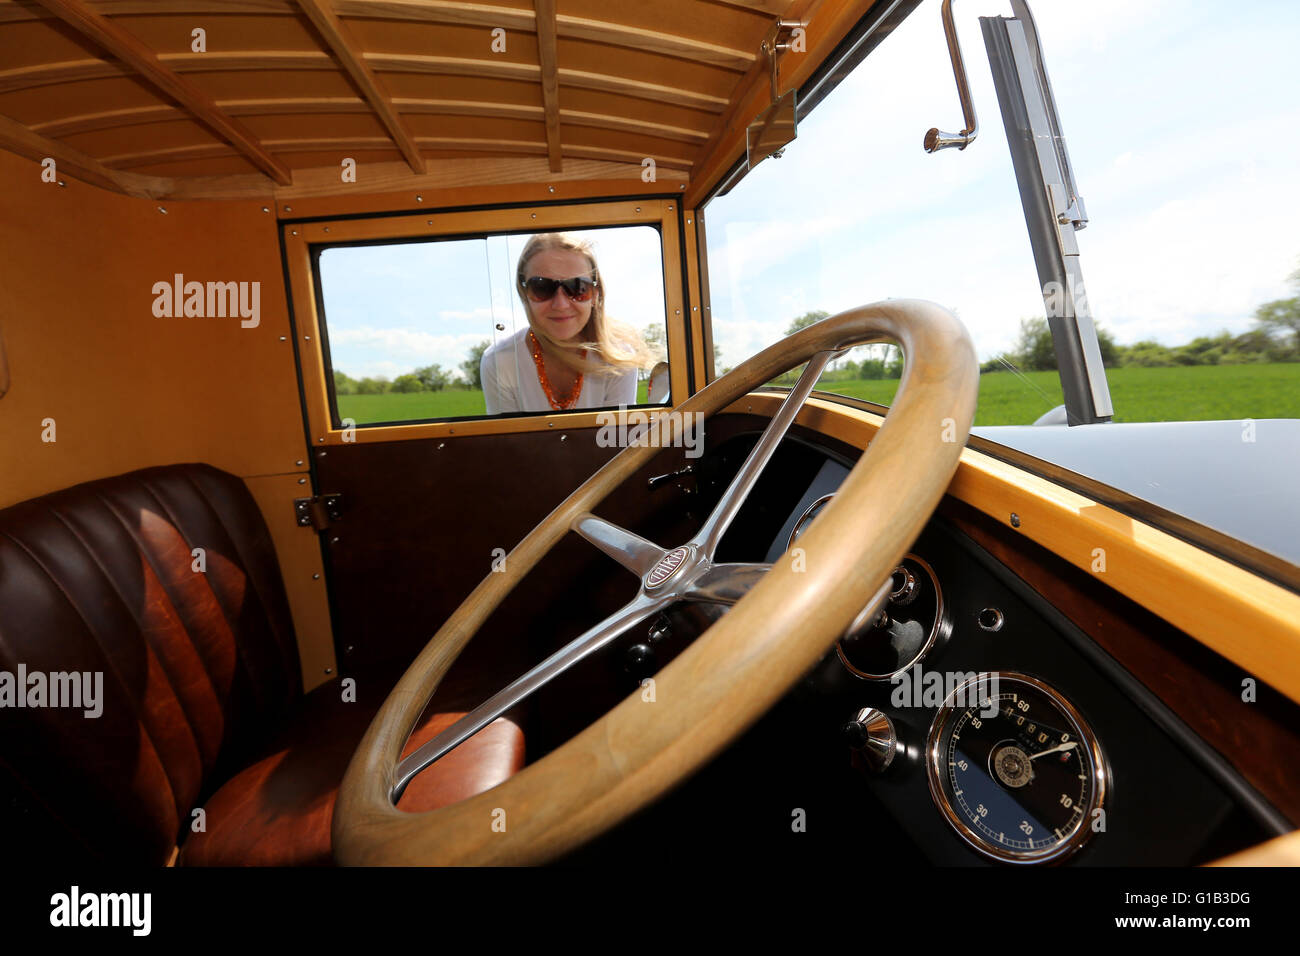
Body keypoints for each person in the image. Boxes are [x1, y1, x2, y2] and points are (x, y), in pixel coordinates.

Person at [481, 233, 656, 414]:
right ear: (524, 293)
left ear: (595, 295)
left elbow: (615, 439)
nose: (561, 305)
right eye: (542, 288)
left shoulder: (619, 359)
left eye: (578, 287)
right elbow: (508, 441)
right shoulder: (499, 360)